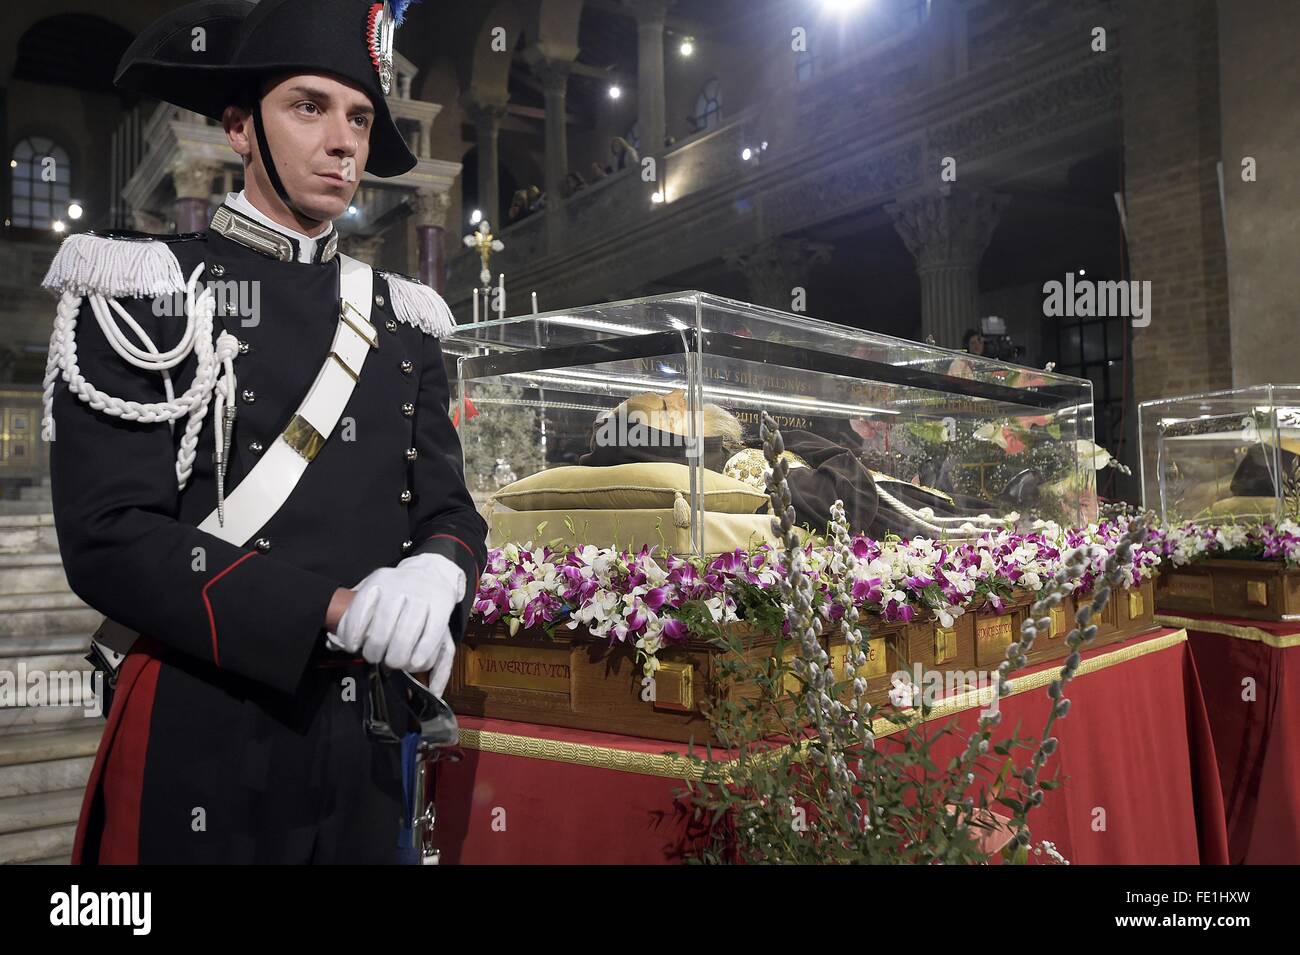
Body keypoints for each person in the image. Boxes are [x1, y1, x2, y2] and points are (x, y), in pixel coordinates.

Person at [41, 0, 487, 864]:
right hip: (204, 726)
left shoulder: (403, 319)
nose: (343, 142)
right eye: (309, 106)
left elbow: (451, 509)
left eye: (360, 116)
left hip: (365, 740)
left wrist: (439, 571)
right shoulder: (144, 287)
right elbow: (108, 538)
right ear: (241, 128)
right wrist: (330, 606)